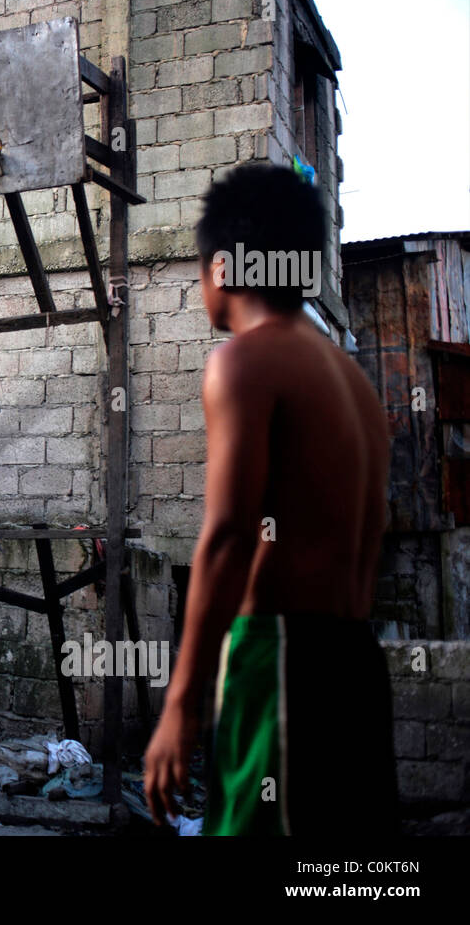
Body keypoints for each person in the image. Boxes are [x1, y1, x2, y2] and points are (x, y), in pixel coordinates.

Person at [143, 163, 398, 835]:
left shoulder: (242, 361)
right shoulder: (355, 382)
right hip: (354, 662)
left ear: (220, 269)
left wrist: (182, 703)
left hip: (284, 657)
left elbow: (228, 535)